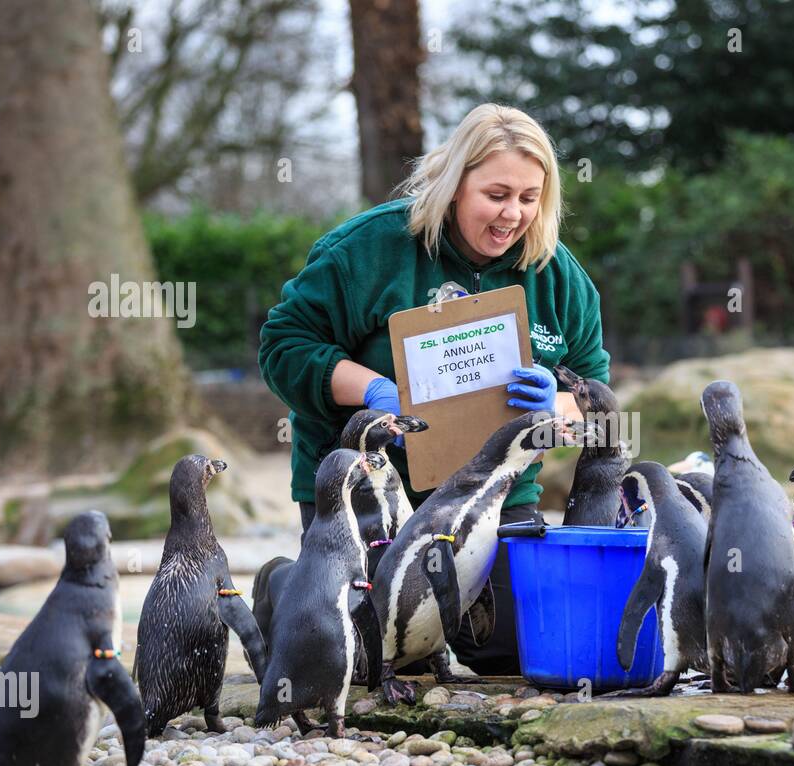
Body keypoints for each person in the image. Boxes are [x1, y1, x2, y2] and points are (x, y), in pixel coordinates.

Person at [258, 103, 610, 675]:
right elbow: (283, 347)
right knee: (371, 656)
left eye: (529, 198)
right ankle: (286, 588)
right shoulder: (368, 249)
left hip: (494, 498)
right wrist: (375, 390)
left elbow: (597, 399)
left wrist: (559, 404)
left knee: (514, 652)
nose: (512, 214)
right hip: (367, 494)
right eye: (496, 195)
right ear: (454, 185)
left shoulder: (558, 275)